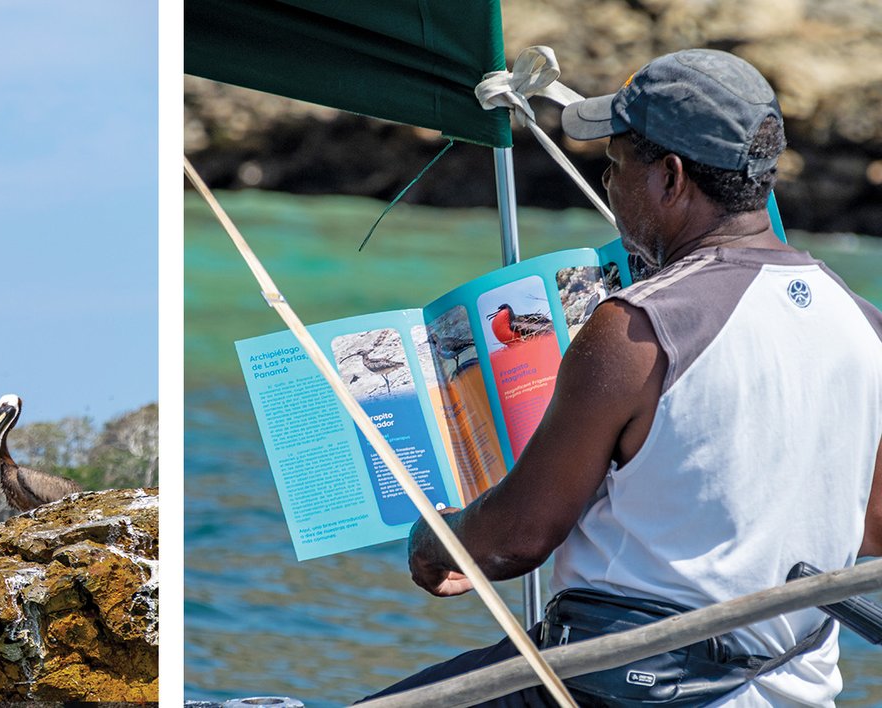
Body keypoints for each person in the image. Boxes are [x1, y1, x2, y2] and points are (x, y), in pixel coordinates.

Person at [362, 49, 882, 706]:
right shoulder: (864, 323)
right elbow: (874, 526)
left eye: (613, 165)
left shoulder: (637, 326)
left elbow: (517, 539)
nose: (608, 185)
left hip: (627, 687)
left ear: (670, 177)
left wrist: (436, 541)